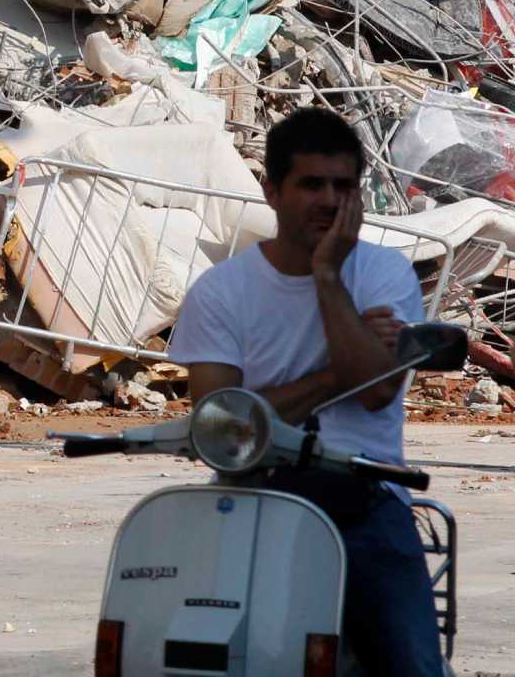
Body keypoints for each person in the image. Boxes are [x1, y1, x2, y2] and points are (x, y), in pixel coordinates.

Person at [167, 107, 439, 676]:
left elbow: (376, 395)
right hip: (256, 497)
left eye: (343, 186)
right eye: (311, 184)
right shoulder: (221, 292)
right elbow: (220, 425)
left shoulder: (387, 273)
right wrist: (348, 366)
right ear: (271, 191)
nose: (329, 200)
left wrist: (326, 277)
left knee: (412, 665)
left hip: (370, 498)